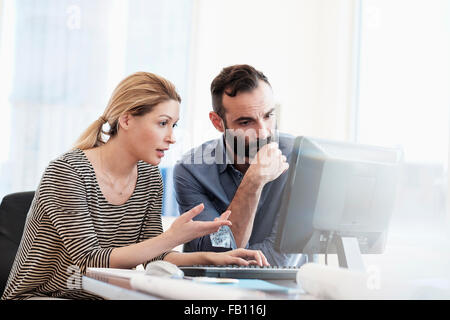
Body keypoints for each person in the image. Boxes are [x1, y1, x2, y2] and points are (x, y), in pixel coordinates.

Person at [1, 72, 268, 300]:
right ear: (127, 120)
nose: (171, 137)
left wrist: (212, 259)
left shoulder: (149, 177)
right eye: (163, 123)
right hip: (40, 296)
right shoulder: (67, 172)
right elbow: (89, 261)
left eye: (174, 125)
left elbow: (154, 256)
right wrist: (174, 236)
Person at [174, 64, 306, 267]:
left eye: (268, 115)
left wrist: (233, 259)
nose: (263, 133)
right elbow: (218, 253)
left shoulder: (301, 157)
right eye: (246, 122)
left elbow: (283, 257)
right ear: (218, 122)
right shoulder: (191, 170)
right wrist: (253, 181)